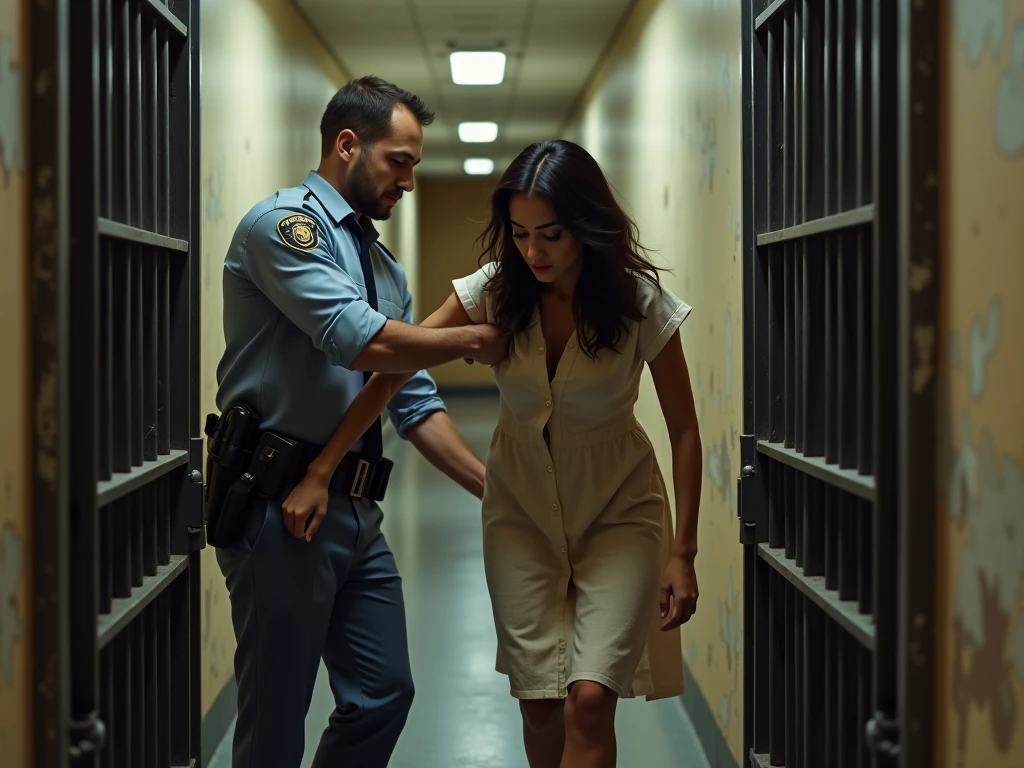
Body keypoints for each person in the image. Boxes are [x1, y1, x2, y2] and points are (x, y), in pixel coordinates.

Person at [282, 139, 702, 768]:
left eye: (553, 234)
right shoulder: (497, 290)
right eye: (521, 233)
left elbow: (685, 428)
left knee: (589, 699)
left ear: (587, 225)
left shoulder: (639, 301)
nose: (534, 251)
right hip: (521, 518)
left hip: (621, 512)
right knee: (539, 702)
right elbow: (393, 373)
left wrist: (683, 551)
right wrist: (322, 469)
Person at [208, 75, 508, 768]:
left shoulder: (382, 266)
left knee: (383, 693)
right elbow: (357, 340)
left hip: (355, 510)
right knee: (276, 719)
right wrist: (468, 338)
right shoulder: (284, 228)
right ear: (348, 144)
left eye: (414, 165)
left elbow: (409, 397)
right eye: (397, 161)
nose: (407, 181)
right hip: (277, 501)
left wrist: (489, 485)